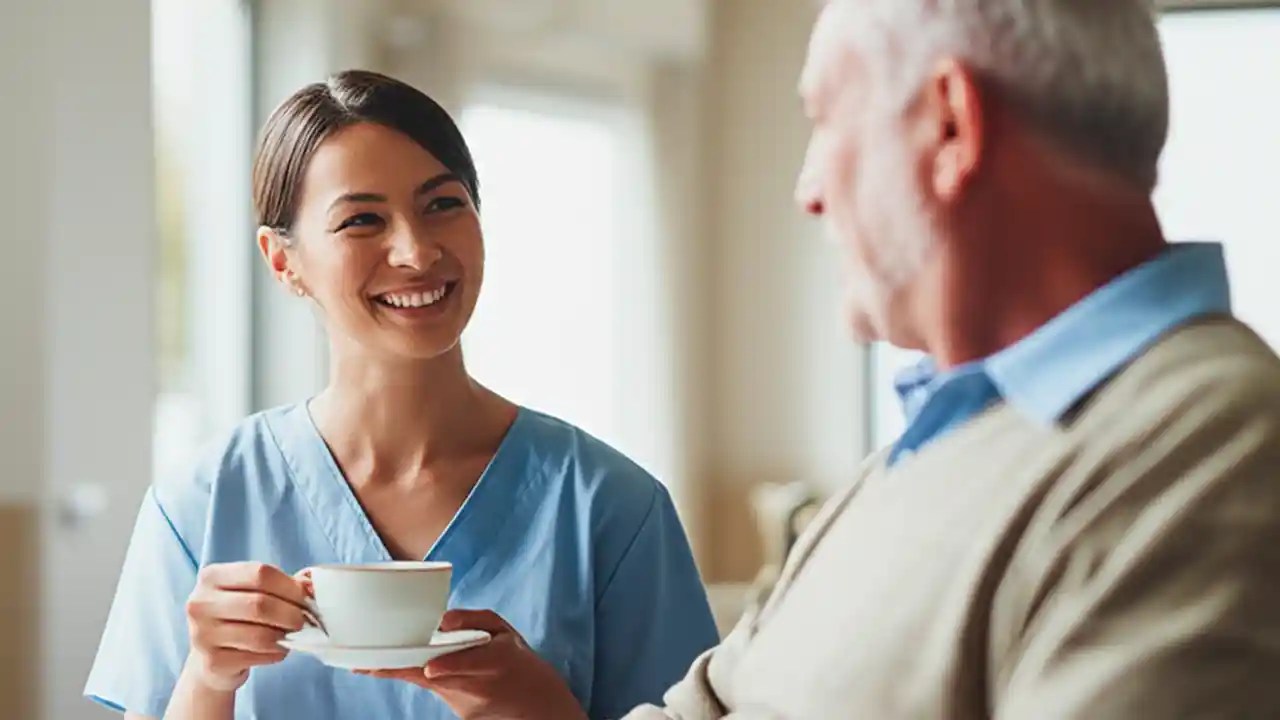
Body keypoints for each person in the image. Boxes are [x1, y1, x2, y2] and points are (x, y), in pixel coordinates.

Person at [416, 1, 1280, 718]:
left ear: (950, 123)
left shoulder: (1213, 451)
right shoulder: (927, 450)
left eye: (826, 119)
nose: (809, 189)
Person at [83, 70, 718, 720]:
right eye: (362, 220)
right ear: (283, 261)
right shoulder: (200, 506)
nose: (417, 252)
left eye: (443, 204)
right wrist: (207, 681)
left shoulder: (610, 508)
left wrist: (542, 710)